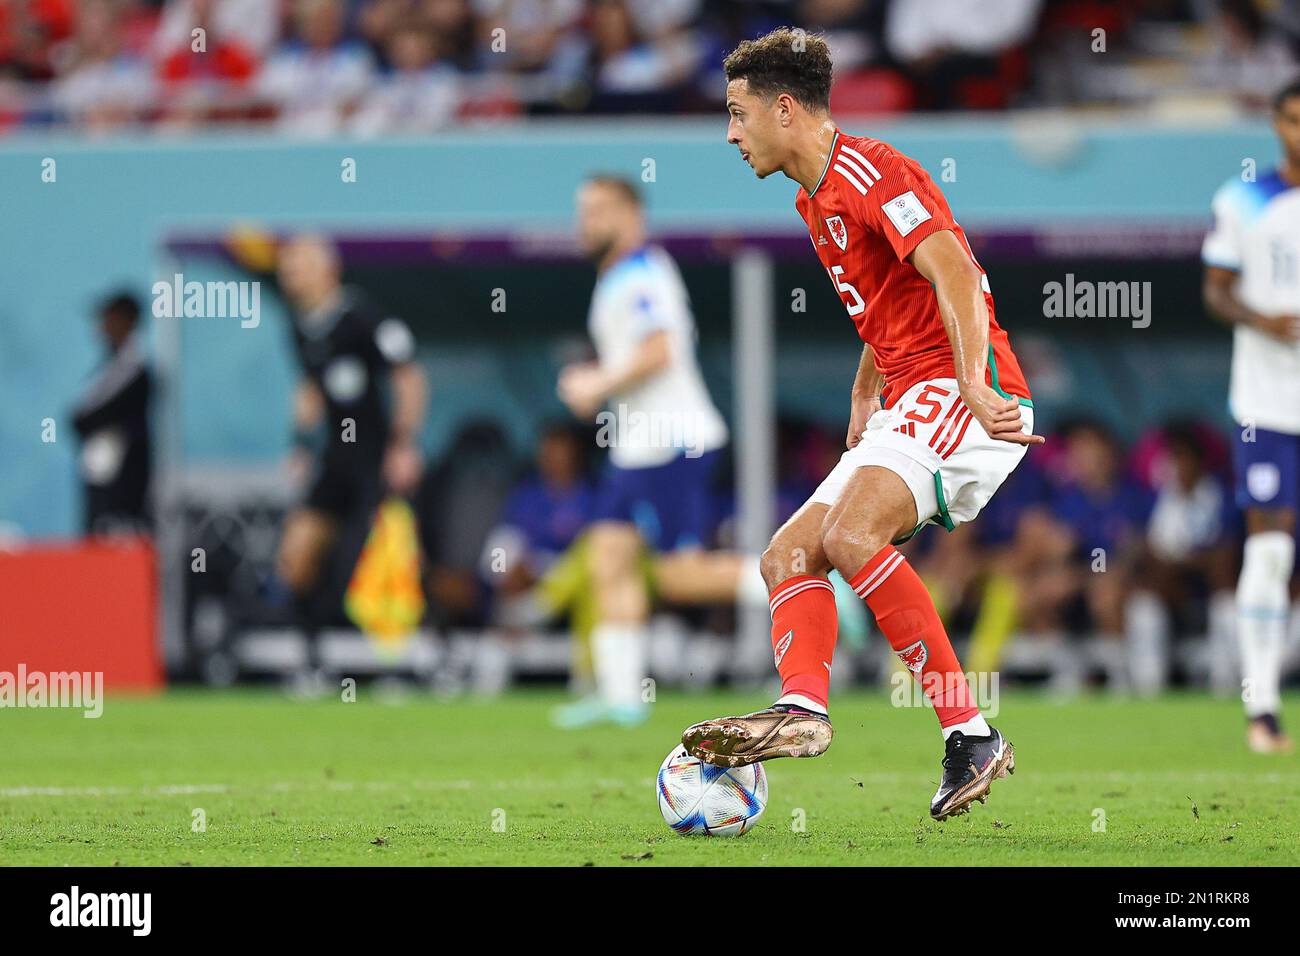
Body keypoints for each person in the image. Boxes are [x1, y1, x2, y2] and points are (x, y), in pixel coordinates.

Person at [683, 28, 1041, 822]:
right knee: (785, 558)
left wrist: (976, 384)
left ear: (785, 108)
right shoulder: (813, 199)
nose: (731, 135)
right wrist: (862, 389)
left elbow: (950, 265)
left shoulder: (872, 170)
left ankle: (968, 730)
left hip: (959, 390)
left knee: (851, 539)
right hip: (908, 393)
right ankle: (805, 709)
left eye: (738, 115)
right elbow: (889, 304)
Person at [554, 174, 764, 727]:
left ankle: (806, 584)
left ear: (631, 216)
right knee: (607, 560)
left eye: (598, 210)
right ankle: (623, 697)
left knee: (675, 574)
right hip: (634, 449)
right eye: (583, 211)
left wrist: (594, 384)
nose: (585, 222)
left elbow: (660, 351)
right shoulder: (617, 276)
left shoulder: (643, 273)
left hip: (673, 441)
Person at [274, 233, 427, 691]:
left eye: (299, 264)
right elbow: (310, 392)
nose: (291, 275)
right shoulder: (300, 327)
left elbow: (409, 377)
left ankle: (397, 668)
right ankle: (313, 665)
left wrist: (402, 444)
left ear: (328, 269)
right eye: (287, 267)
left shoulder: (363, 316)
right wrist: (300, 444)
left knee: (377, 564)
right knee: (298, 556)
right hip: (333, 463)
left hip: (374, 462)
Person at [1202, 77, 1300, 753]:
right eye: (1294, 118)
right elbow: (1216, 290)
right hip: (1267, 406)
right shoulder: (1243, 198)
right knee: (1269, 551)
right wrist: (1260, 316)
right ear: (1276, 122)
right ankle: (1262, 706)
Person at [72, 291, 151, 536]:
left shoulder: (134, 371)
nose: (103, 328)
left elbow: (91, 416)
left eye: (110, 319)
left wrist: (82, 421)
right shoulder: (106, 370)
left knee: (117, 538)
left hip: (123, 480)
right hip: (99, 473)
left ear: (127, 322)